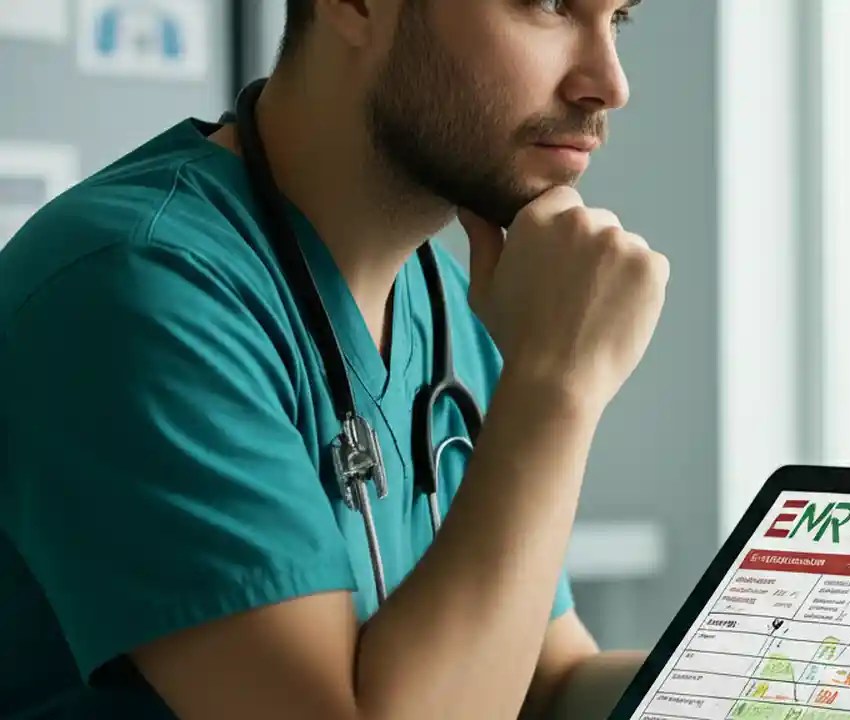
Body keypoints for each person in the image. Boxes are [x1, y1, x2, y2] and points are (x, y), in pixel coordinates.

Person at [0, 0, 667, 717]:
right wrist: (559, 389)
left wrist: (765, 688)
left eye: (618, 20)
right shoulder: (135, 288)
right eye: (550, 6)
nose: (609, 82)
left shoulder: (446, 297)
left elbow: (547, 681)